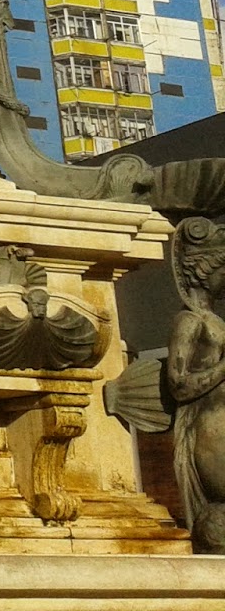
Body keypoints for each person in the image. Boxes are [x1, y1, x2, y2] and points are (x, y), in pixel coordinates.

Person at [166, 216, 225, 552]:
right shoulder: (188, 320)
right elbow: (178, 384)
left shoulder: (215, 320)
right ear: (205, 269)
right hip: (209, 426)